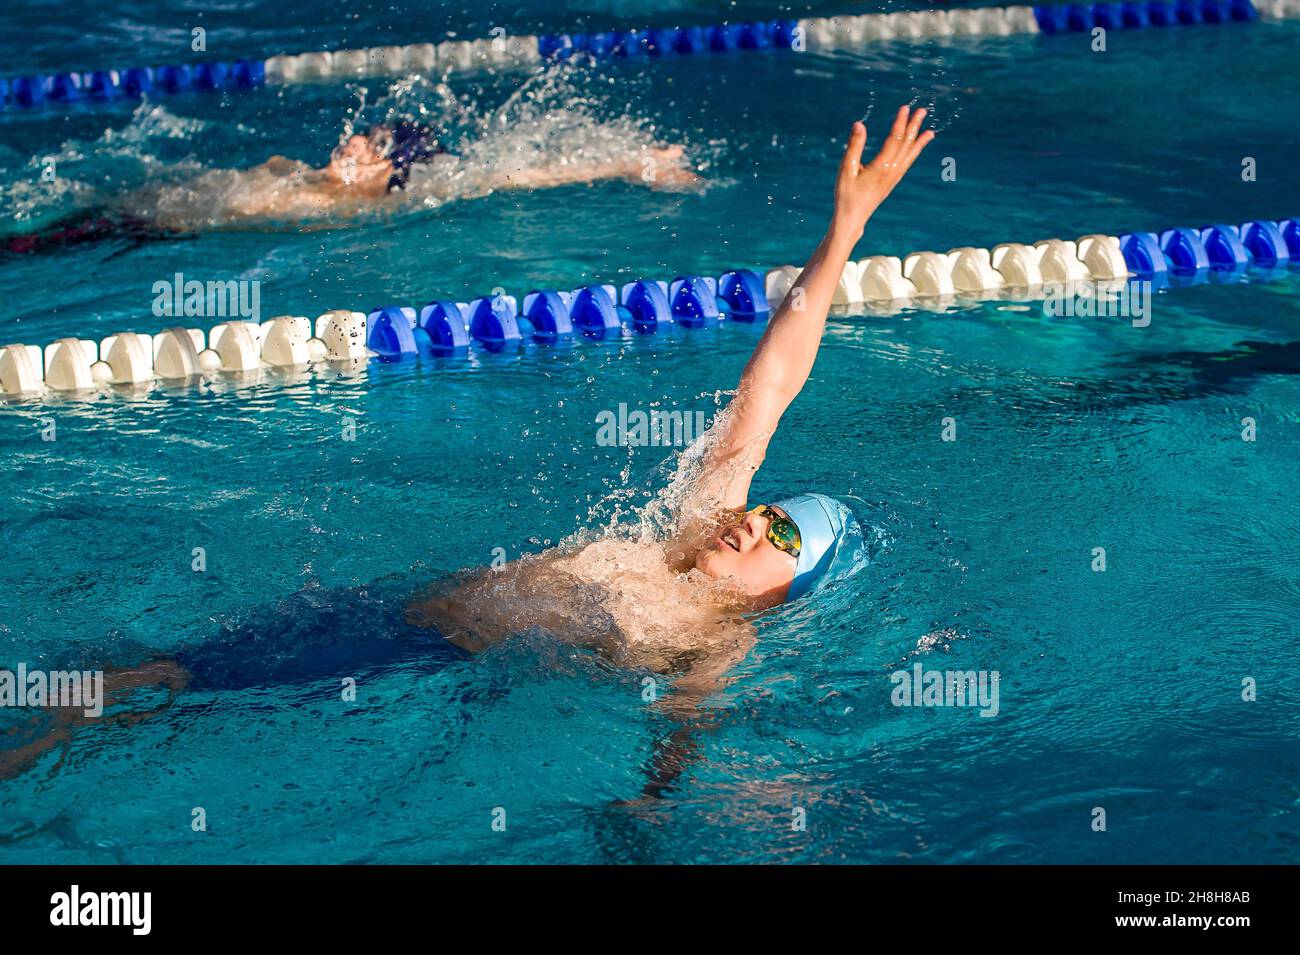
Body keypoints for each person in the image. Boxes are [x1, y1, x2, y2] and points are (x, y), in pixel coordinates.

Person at [1, 117, 697, 252]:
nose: (353, 141)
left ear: (392, 173)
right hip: (133, 209)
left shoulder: (394, 204)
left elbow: (519, 173)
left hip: (148, 230)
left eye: (373, 144)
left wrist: (631, 161)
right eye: (361, 133)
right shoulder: (299, 175)